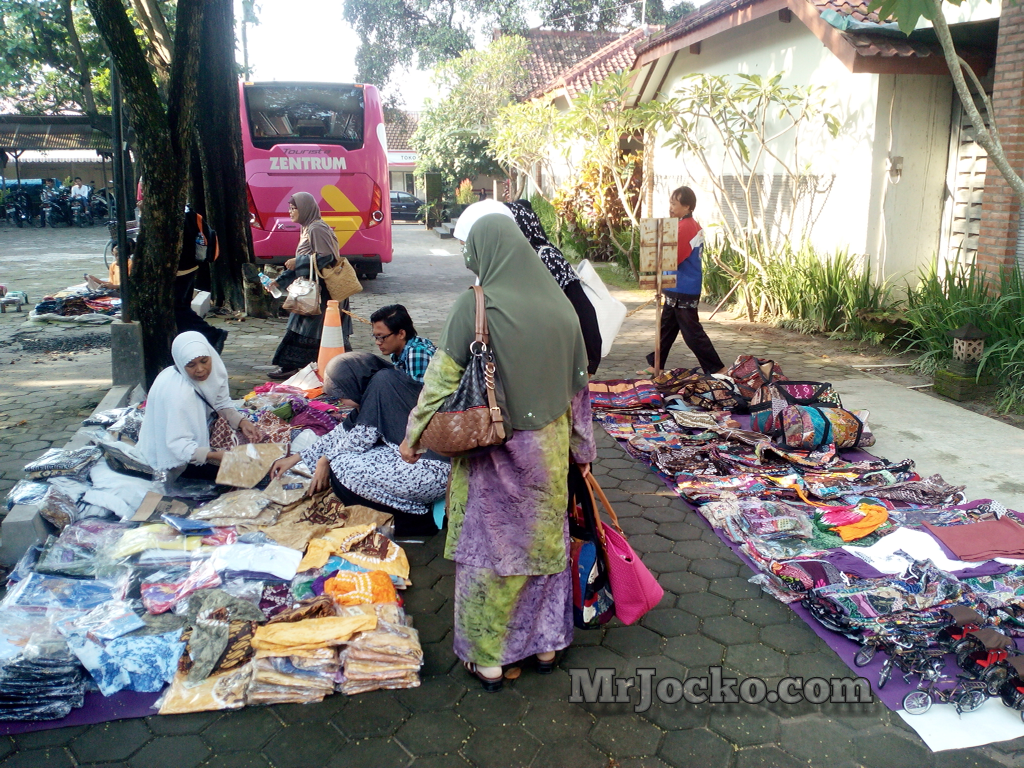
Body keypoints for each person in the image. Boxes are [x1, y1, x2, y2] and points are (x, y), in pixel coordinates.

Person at [400, 213, 596, 692]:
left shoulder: (474, 307)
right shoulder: (562, 308)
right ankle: (546, 645)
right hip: (547, 452)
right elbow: (579, 394)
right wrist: (583, 451)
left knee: (490, 551)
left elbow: (440, 383)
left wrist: (413, 438)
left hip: (490, 448)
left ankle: (489, 659)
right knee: (543, 545)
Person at [270, 352, 450, 536]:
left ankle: (414, 521)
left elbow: (359, 439)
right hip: (423, 462)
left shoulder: (382, 385)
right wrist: (296, 458)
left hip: (433, 470)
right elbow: (342, 433)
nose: (340, 401)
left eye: (341, 395)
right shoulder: (375, 387)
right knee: (343, 456)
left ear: (353, 382)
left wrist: (324, 460)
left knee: (341, 465)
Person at [137, 332, 261, 480]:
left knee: (260, 441)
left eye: (204, 361)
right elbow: (178, 445)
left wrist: (242, 422)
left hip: (193, 443)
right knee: (249, 471)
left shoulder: (214, 371)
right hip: (175, 460)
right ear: (181, 364)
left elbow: (220, 403)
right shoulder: (181, 394)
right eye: (191, 365)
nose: (200, 369)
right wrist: (214, 455)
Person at [506, 199, 603, 375]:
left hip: (555, 358)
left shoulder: (547, 258)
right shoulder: (512, 261)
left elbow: (582, 307)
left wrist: (590, 361)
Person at [267, 192, 351, 380]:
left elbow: (327, 257)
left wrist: (299, 262)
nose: (290, 211)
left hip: (322, 292)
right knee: (310, 328)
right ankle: (303, 366)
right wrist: (279, 282)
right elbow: (303, 263)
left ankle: (336, 368)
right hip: (312, 289)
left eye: (293, 208)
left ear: (305, 208)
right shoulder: (306, 228)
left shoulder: (317, 228)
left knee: (316, 329)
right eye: (289, 208)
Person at [644, 186, 725, 375]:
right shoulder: (684, 225)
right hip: (678, 285)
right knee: (667, 328)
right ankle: (657, 363)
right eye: (670, 203)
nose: (671, 207)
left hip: (683, 286)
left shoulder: (686, 226)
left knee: (692, 333)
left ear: (687, 207)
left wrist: (652, 254)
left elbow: (673, 257)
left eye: (674, 204)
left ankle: (717, 367)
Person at [175, 209, 227, 353]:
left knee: (178, 309)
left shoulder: (173, 212)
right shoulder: (187, 211)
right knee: (182, 307)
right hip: (191, 265)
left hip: (181, 269)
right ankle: (192, 341)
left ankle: (212, 334)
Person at [369, 304, 437, 383]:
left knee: (383, 376)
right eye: (376, 337)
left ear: (401, 334)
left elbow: (416, 393)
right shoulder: (398, 352)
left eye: (381, 337)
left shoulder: (417, 353)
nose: (377, 342)